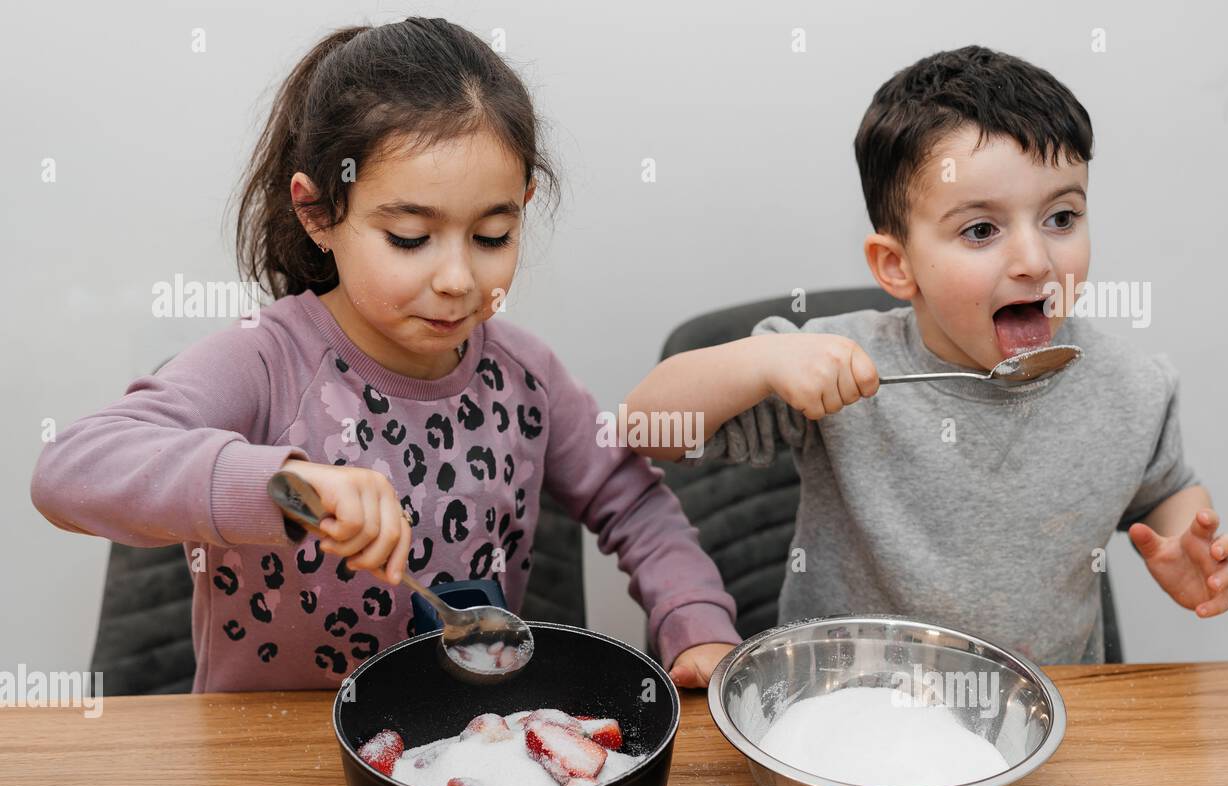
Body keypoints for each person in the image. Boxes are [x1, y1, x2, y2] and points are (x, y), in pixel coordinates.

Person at [31, 17, 740, 692]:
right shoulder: (265, 359)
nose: (458, 279)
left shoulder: (527, 376)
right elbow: (69, 469)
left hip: (454, 744)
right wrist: (286, 484)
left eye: (493, 235)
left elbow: (637, 504)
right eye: (408, 238)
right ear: (318, 214)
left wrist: (695, 625)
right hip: (264, 760)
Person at [623, 46, 1228, 664]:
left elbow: (1167, 489)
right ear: (896, 265)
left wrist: (1185, 540)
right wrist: (758, 364)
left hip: (1044, 717)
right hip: (847, 711)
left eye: (1061, 216)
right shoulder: (834, 364)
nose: (1035, 260)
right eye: (981, 231)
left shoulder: (1129, 386)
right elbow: (643, 429)